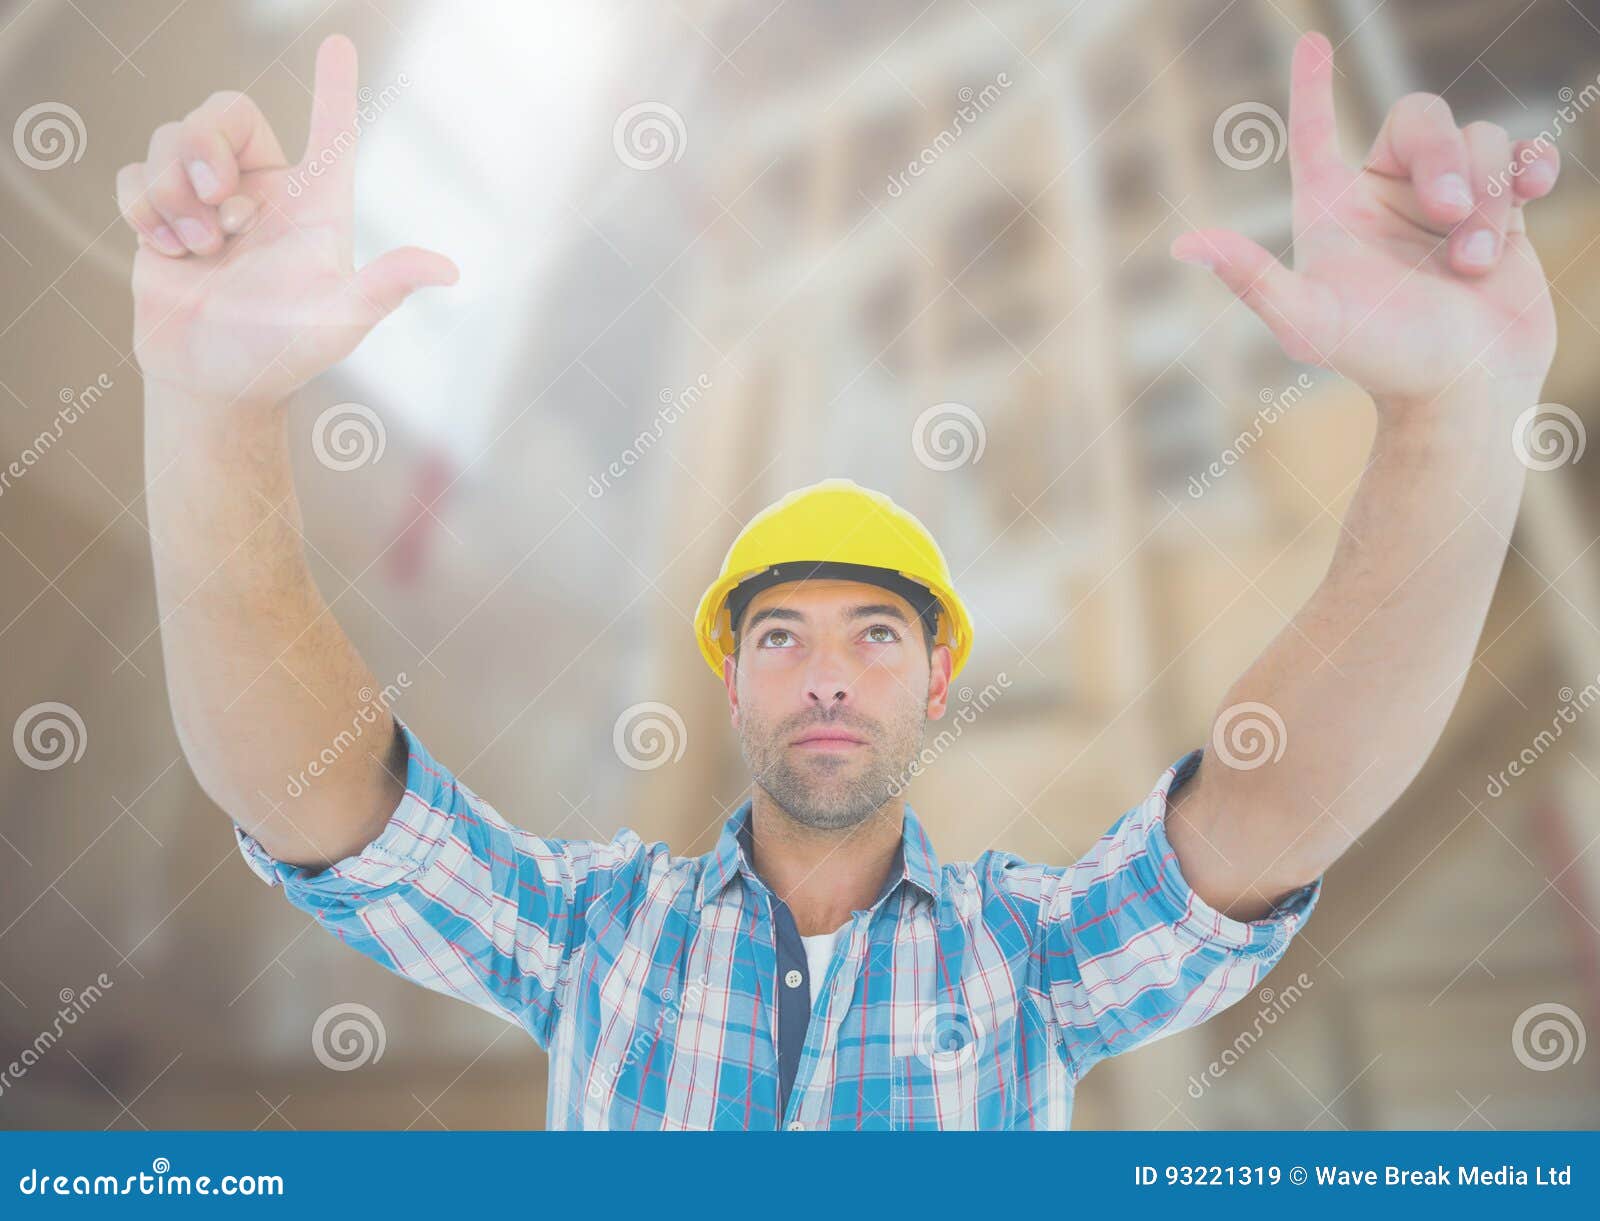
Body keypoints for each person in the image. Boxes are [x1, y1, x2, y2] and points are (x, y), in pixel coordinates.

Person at [119, 30, 1561, 1129]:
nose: (823, 668)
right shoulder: (589, 938)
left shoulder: (1032, 960)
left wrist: (1449, 423)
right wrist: (208, 405)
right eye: (781, 633)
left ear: (939, 678)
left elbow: (1274, 803)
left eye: (876, 632)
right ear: (732, 674)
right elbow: (308, 797)